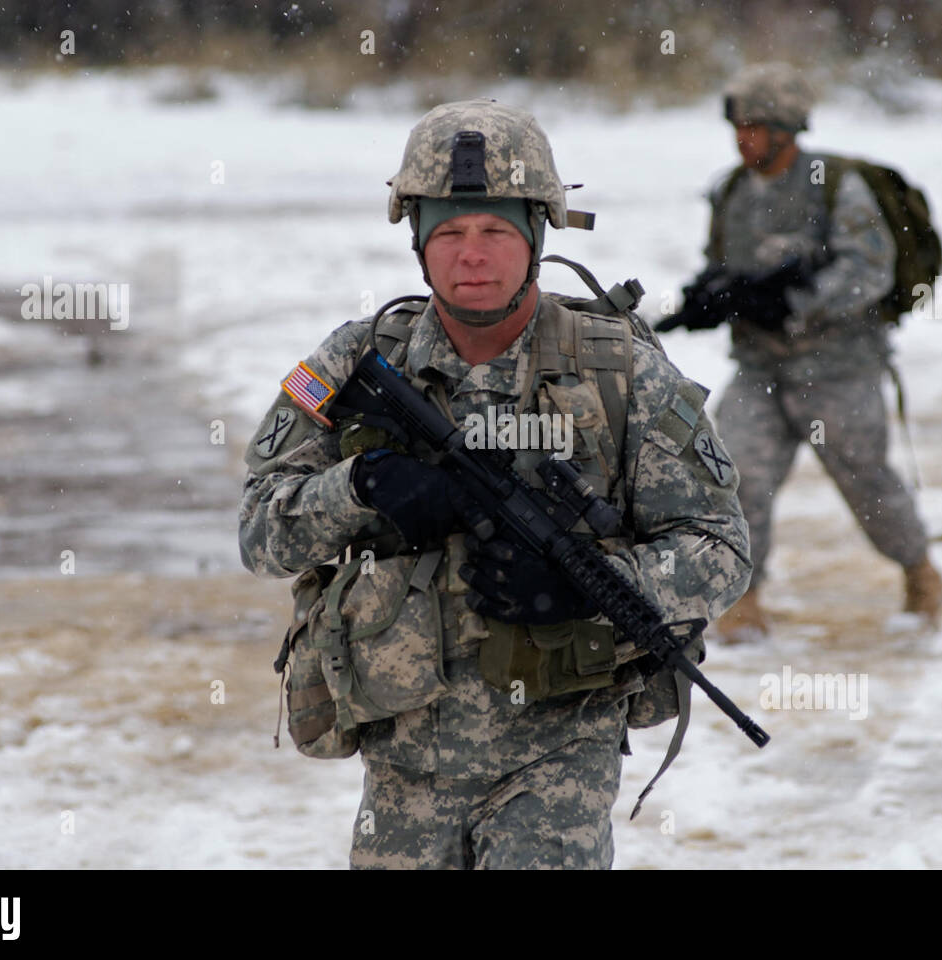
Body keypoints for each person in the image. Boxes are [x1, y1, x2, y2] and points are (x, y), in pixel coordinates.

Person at [238, 99, 751, 870]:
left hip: (562, 748)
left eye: (495, 232)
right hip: (404, 752)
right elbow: (259, 535)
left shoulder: (620, 370)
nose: (470, 255)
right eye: (447, 232)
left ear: (538, 235)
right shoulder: (354, 364)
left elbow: (720, 547)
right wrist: (361, 486)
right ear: (416, 240)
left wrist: (591, 585)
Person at [657, 62, 942, 644]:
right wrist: (708, 300)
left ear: (787, 130)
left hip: (838, 369)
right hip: (761, 367)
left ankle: (920, 574)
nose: (743, 138)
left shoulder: (834, 184)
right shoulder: (732, 191)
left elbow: (869, 267)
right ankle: (743, 602)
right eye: (738, 126)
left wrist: (794, 303)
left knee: (866, 481)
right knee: (733, 478)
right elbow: (724, 264)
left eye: (756, 127)